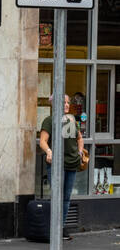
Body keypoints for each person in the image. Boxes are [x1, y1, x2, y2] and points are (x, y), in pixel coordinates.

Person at [38, 94, 84, 241]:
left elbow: (79, 138)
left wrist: (80, 152)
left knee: (66, 198)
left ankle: (62, 227)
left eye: (67, 102)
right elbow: (43, 141)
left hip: (72, 163)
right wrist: (49, 151)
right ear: (55, 104)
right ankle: (54, 228)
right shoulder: (49, 121)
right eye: (63, 102)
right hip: (57, 165)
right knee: (57, 197)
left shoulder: (71, 120)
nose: (66, 105)